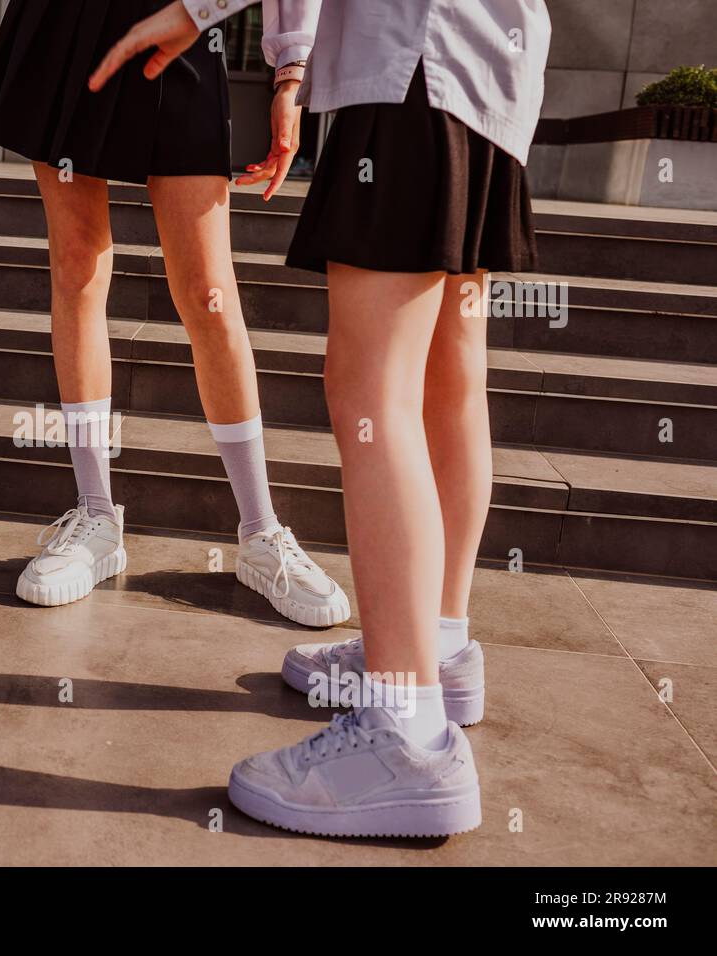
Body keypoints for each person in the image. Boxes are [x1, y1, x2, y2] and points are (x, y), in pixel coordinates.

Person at [92, 0, 549, 837]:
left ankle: (404, 732)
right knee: (451, 376)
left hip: (412, 65)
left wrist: (200, 11)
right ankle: (436, 649)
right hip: (490, 72)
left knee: (373, 393)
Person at [0, 0, 350, 626]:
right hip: (64, 28)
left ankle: (261, 530)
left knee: (208, 291)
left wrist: (291, 72)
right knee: (76, 263)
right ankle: (96, 517)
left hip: (186, 20)